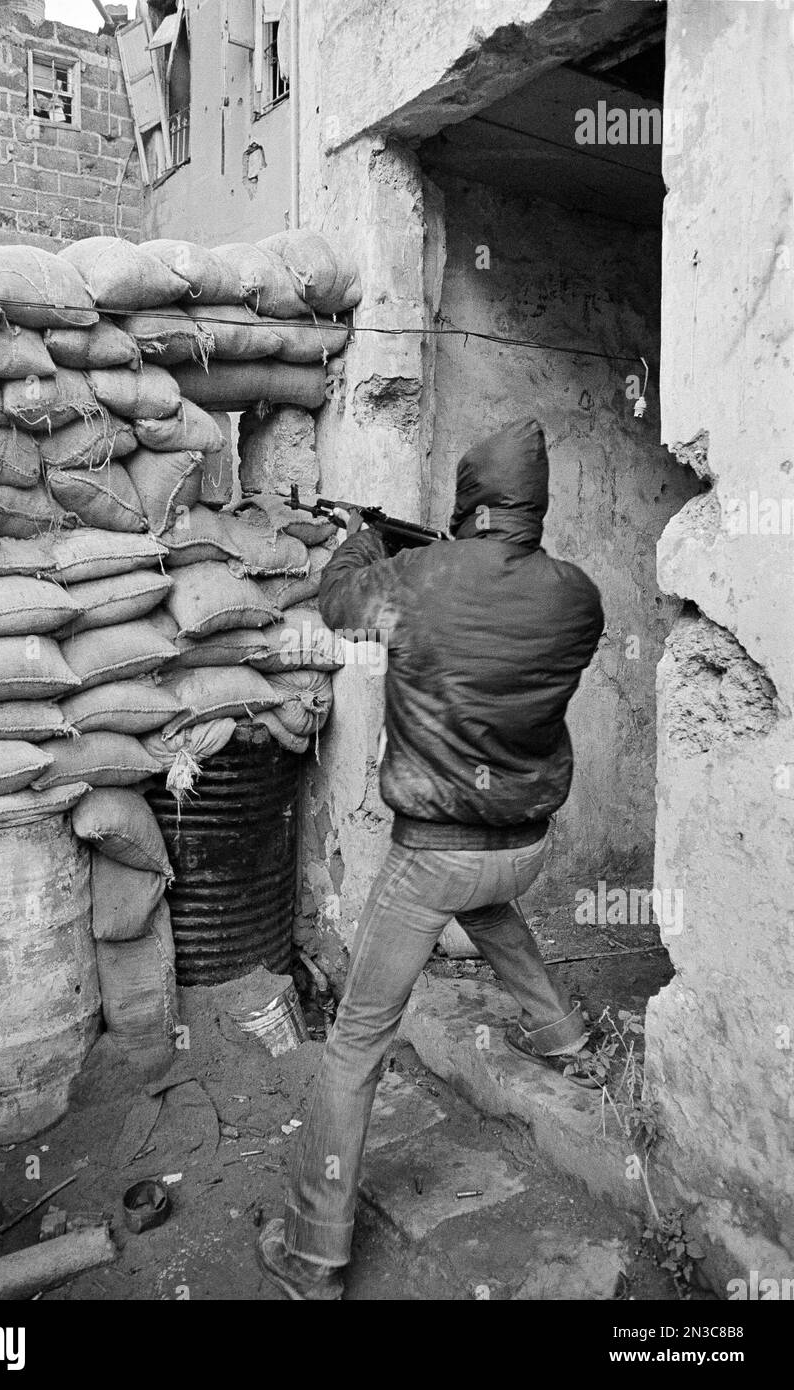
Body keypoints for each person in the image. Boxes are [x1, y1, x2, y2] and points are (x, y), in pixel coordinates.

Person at [258, 417, 605, 1300]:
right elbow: (494, 630)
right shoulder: (579, 595)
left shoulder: (412, 580)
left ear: (471, 501)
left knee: (354, 1043)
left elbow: (341, 606)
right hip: (522, 846)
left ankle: (312, 1251)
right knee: (489, 904)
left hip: (437, 854)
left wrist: (361, 539)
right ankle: (566, 1037)